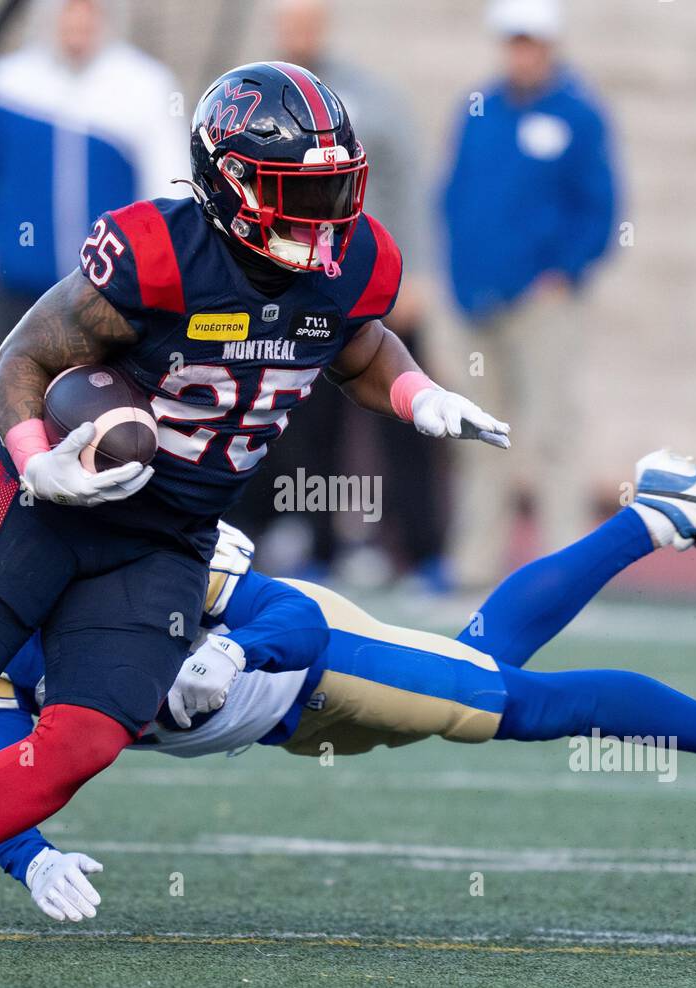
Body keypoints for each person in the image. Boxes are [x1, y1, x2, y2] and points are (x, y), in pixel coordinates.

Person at [0, 62, 509, 953]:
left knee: (84, 738)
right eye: (299, 191)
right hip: (52, 505)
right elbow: (24, 358)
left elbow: (357, 343)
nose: (326, 217)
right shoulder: (158, 252)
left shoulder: (350, 259)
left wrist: (417, 394)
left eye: (334, 189)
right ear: (230, 186)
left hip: (167, 537)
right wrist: (39, 465)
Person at [0, 451, 696, 928]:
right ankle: (660, 513)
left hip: (320, 661)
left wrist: (230, 657)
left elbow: (291, 617)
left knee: (514, 704)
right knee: (484, 662)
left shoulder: (139, 555)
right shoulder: (4, 622)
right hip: (287, 725)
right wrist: (30, 854)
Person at [233, 0, 448, 587]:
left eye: (308, 19)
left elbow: (407, 182)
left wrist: (418, 272)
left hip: (369, 279)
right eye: (290, 20)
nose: (299, 31)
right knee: (303, 419)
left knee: (404, 409)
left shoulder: (368, 96)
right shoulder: (248, 102)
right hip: (295, 284)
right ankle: (318, 542)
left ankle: (424, 549)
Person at [441, 0, 618, 588]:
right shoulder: (479, 109)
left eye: (530, 41)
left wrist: (563, 271)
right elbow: (454, 195)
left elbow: (600, 209)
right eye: (513, 41)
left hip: (541, 302)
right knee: (477, 434)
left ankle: (564, 566)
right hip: (477, 299)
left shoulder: (578, 115)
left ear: (550, 46)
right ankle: (473, 563)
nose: (521, 53)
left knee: (552, 432)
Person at [0, 0, 189, 340]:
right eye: (68, 13)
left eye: (88, 14)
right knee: (15, 380)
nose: (77, 26)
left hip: (110, 292)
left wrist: (147, 264)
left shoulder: (145, 86)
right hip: (21, 287)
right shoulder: (6, 84)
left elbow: (170, 185)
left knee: (102, 388)